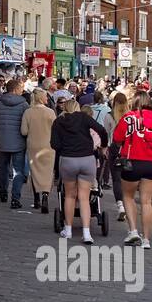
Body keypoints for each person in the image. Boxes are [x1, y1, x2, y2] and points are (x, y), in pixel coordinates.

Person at [51, 99, 109, 242]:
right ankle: (87, 233)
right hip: (87, 159)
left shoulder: (58, 122)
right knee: (84, 197)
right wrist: (104, 144)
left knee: (70, 196)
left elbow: (54, 144)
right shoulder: (84, 118)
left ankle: (68, 230)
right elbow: (101, 129)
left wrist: (64, 148)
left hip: (68, 159)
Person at [116, 91, 152, 249]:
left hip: (132, 161)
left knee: (128, 197)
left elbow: (117, 138)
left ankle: (133, 231)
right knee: (146, 201)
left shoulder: (128, 117)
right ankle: (146, 239)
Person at [0, 78, 29, 208]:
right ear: (16, 89)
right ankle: (15, 198)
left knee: (3, 169)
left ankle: (3, 191)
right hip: (19, 143)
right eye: (21, 88)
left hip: (2, 142)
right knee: (18, 171)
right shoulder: (24, 105)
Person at [22, 88, 56, 212]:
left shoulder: (28, 112)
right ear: (42, 98)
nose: (47, 99)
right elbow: (56, 129)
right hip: (48, 145)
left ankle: (36, 198)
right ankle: (45, 196)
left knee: (34, 171)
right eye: (46, 97)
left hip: (33, 145)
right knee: (47, 171)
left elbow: (24, 131)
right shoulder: (51, 112)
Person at [104, 91, 128, 220]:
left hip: (115, 149)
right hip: (129, 150)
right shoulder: (131, 116)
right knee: (128, 179)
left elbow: (106, 133)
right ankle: (127, 205)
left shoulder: (110, 116)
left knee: (116, 179)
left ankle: (120, 206)